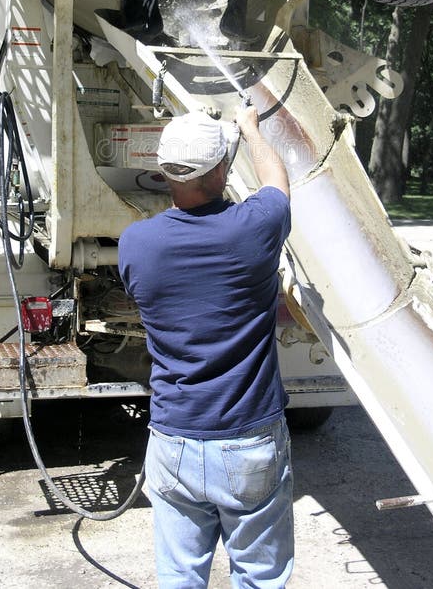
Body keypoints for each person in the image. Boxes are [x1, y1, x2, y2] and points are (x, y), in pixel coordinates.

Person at [118, 105, 294, 588]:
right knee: (259, 576)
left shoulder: (136, 244)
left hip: (173, 440)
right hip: (248, 440)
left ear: (164, 172)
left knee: (179, 576)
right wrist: (251, 129)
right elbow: (277, 183)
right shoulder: (254, 228)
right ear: (221, 170)